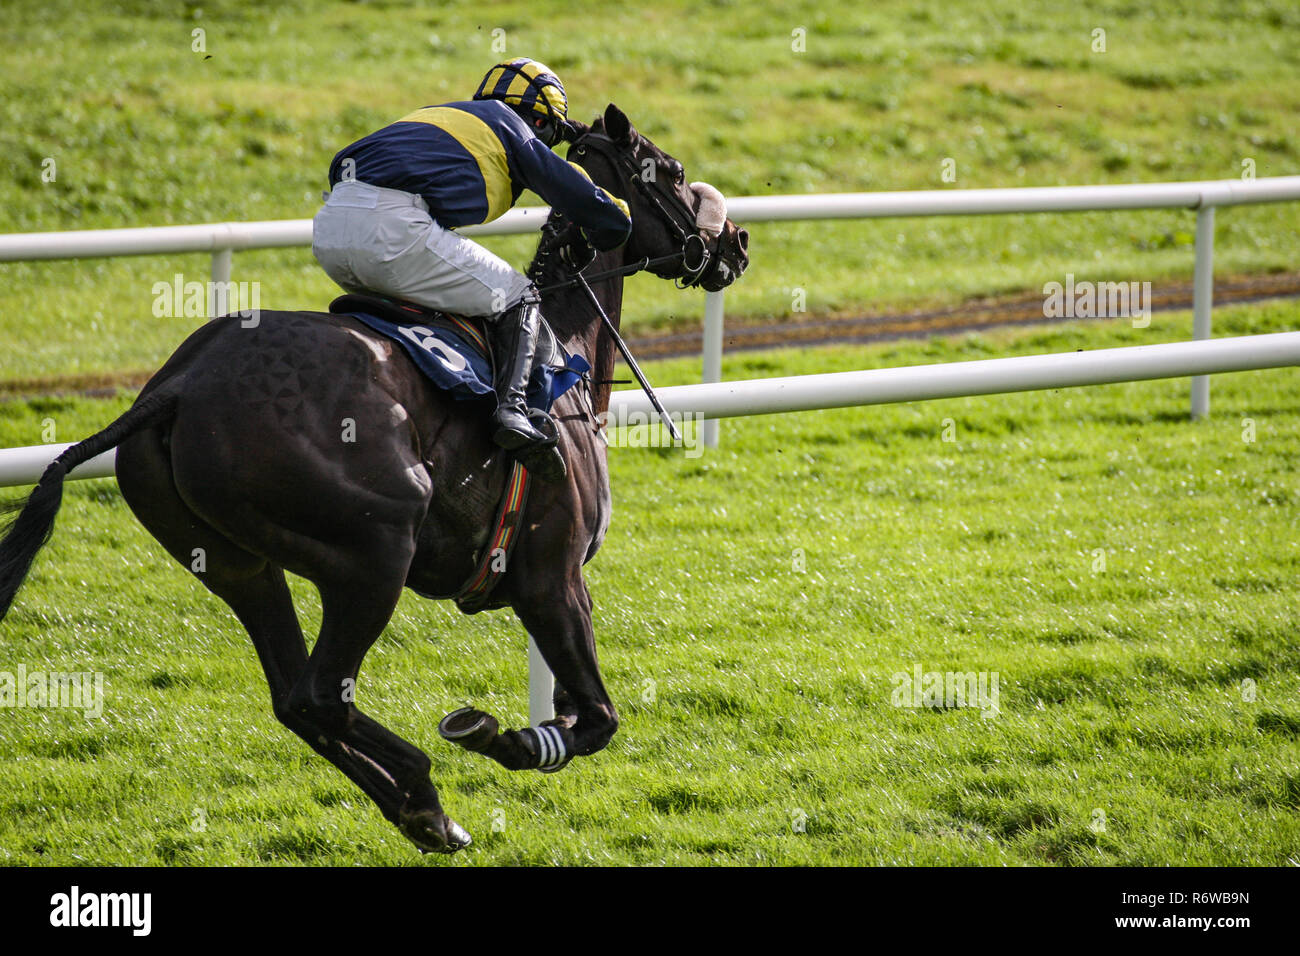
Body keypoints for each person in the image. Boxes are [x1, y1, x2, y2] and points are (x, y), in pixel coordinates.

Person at [312, 57, 631, 464]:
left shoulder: (447, 117)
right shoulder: (511, 126)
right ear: (538, 122)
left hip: (329, 232)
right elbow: (581, 197)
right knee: (519, 295)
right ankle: (513, 412)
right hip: (389, 231)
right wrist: (615, 218)